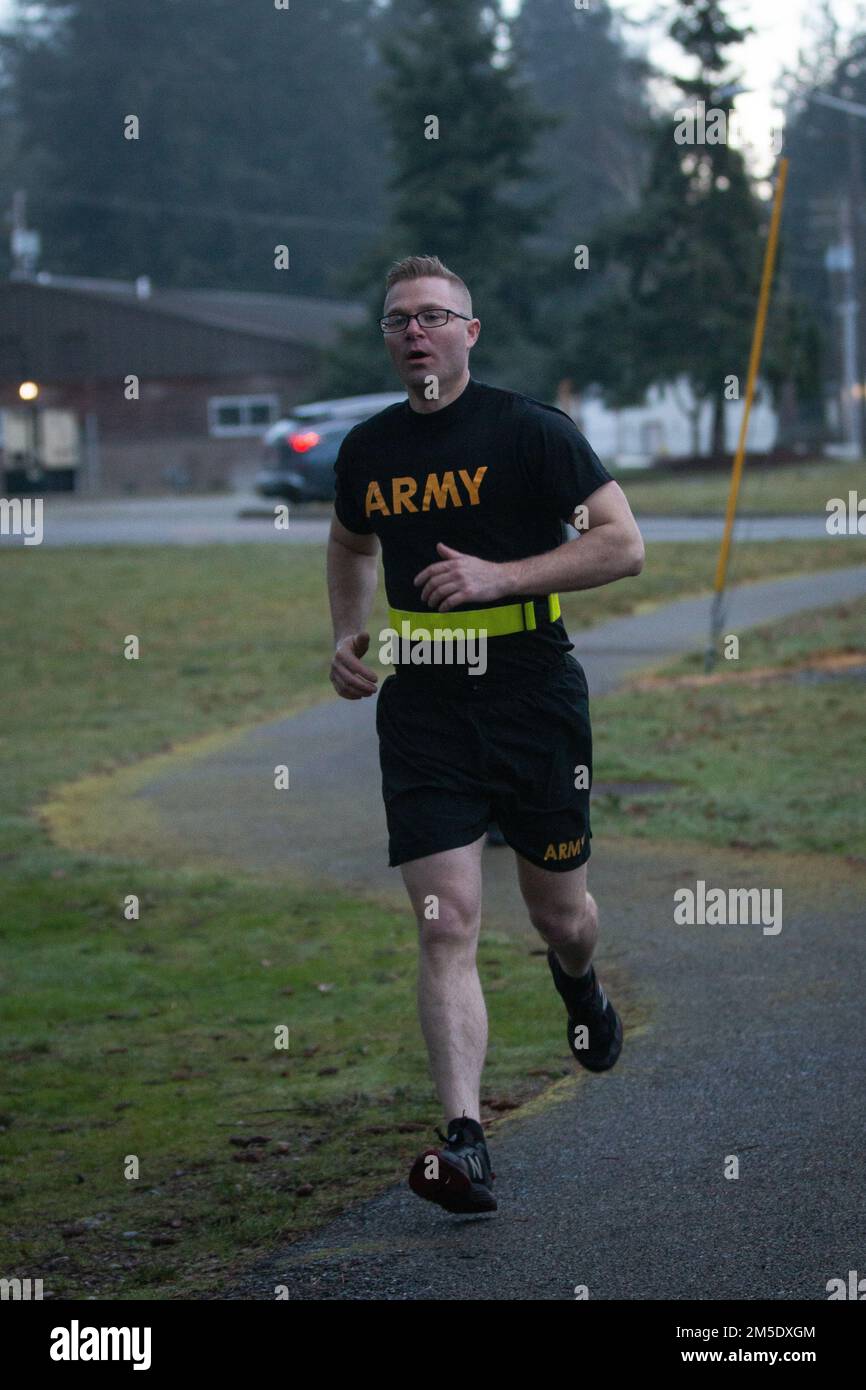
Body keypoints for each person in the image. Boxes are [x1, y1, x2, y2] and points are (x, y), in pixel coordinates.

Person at [327, 255, 644, 1215]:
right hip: (423, 703)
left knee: (562, 916)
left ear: (471, 331)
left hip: (531, 694)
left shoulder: (531, 432)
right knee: (447, 921)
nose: (414, 332)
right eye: (397, 321)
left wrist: (499, 577)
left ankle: (579, 987)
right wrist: (346, 631)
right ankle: (465, 1143)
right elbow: (350, 543)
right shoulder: (370, 450)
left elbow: (622, 544)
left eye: (433, 316)